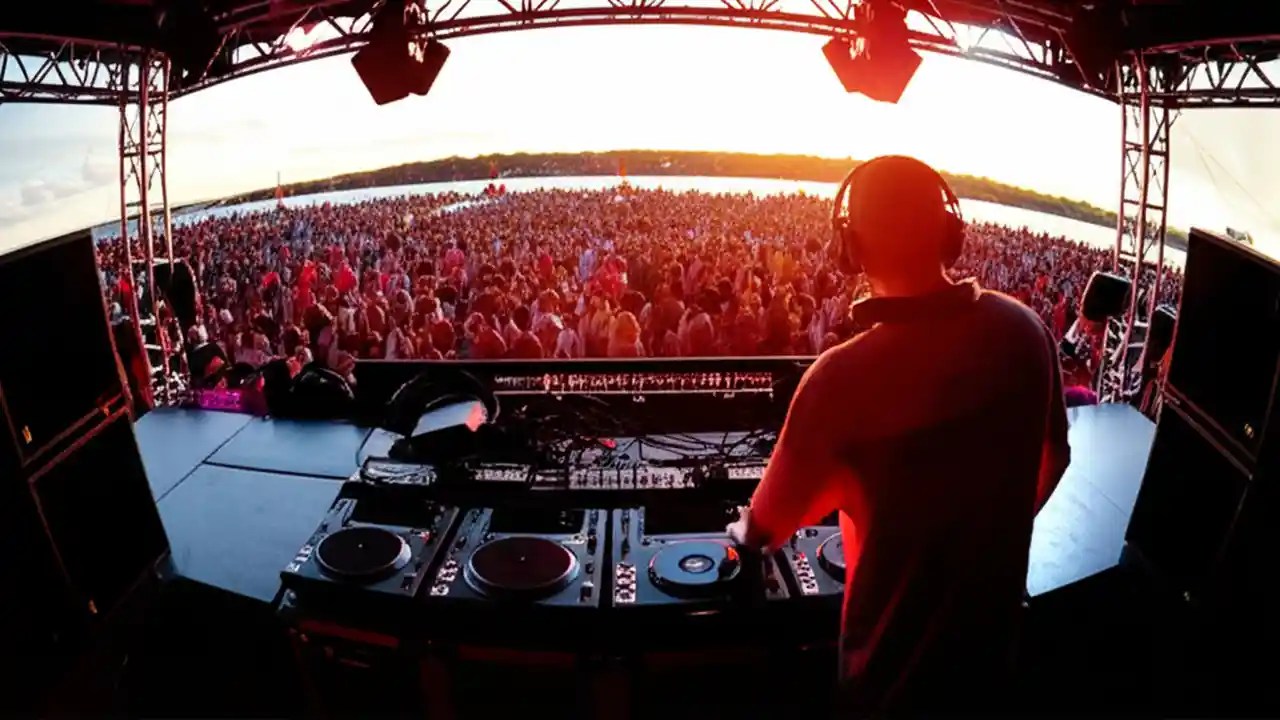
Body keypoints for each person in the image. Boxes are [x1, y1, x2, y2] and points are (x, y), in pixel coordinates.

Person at [727, 156, 1071, 715]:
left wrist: (736, 527)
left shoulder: (838, 381)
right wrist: (971, 537)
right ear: (949, 232)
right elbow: (1053, 459)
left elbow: (765, 528)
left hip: (887, 684)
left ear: (850, 247)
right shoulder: (1026, 332)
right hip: (994, 665)